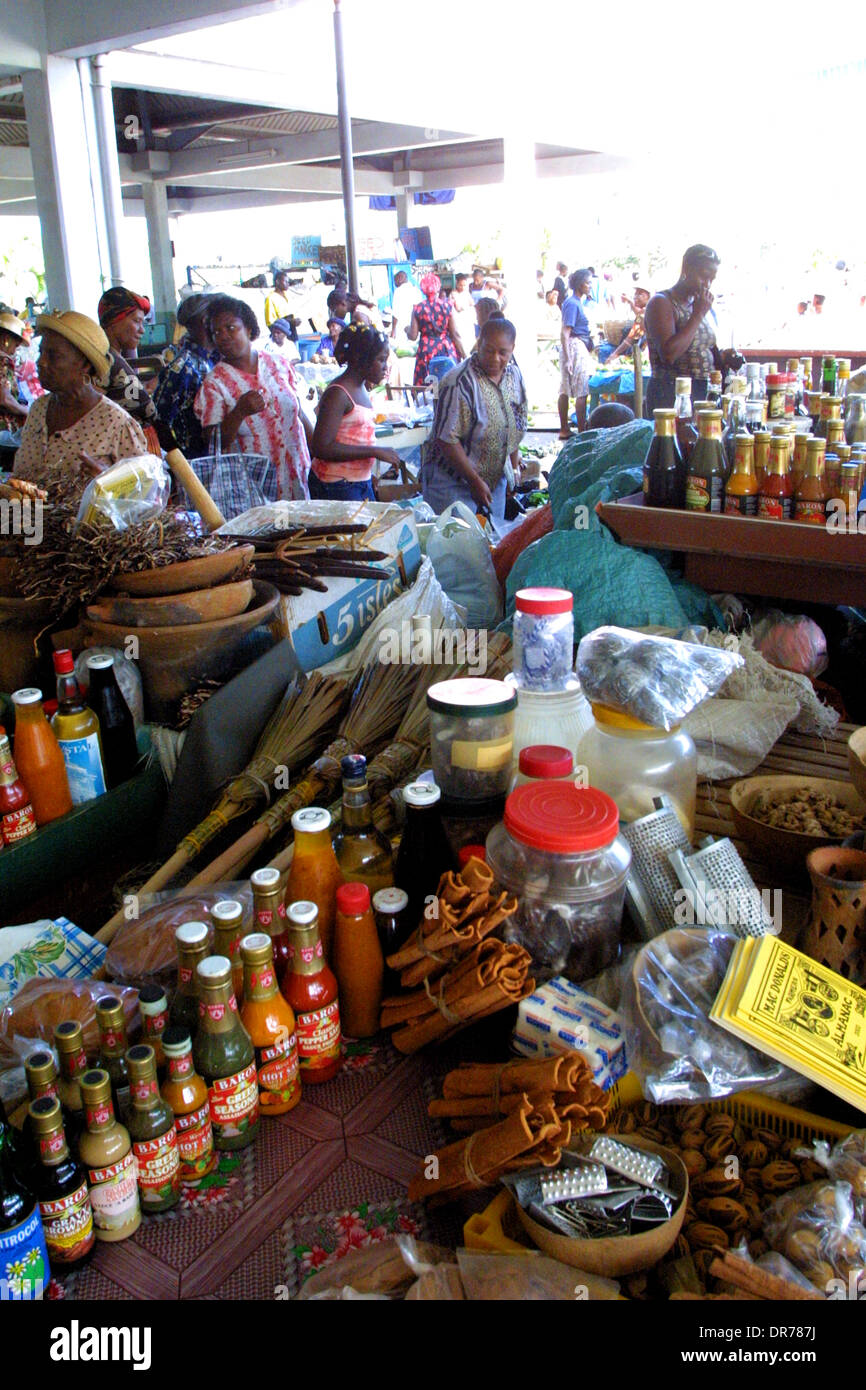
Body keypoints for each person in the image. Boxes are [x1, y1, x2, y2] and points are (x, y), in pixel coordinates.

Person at [13, 309, 147, 496]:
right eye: (41, 353)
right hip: (30, 523)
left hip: (82, 525)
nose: (41, 362)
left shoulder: (117, 424)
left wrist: (108, 485)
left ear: (85, 364)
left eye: (54, 355)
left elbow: (144, 499)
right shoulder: (39, 409)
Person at [194, 294, 312, 501]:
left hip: (297, 477)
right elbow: (213, 441)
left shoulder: (279, 364)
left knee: (303, 531)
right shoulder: (214, 383)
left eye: (231, 328)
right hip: (252, 488)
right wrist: (239, 412)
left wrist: (319, 454)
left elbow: (298, 413)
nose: (223, 336)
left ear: (248, 329)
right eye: (217, 332)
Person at [420, 317, 527, 525]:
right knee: (453, 546)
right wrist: (474, 480)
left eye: (503, 352)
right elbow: (446, 439)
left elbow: (516, 423)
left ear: (512, 349)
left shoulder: (515, 377)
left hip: (492, 481)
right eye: (488, 350)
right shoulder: (458, 382)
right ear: (479, 344)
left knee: (489, 545)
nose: (495, 358)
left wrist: (513, 468)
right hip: (452, 482)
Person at [643, 244, 744, 412]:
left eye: (712, 279)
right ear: (687, 269)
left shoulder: (698, 304)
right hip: (672, 395)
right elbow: (669, 354)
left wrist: (723, 358)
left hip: (701, 392)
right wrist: (698, 314)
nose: (707, 284)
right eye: (704, 277)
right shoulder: (661, 302)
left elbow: (700, 347)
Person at [309, 323, 403, 502]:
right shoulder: (338, 394)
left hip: (356, 482)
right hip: (336, 484)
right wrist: (373, 451)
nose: (385, 366)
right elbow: (321, 447)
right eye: (381, 360)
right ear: (362, 359)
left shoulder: (361, 388)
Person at [152, 293, 219, 458]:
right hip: (197, 465)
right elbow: (159, 422)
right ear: (206, 320)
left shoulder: (210, 360)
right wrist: (181, 466)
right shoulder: (183, 368)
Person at [96, 286, 159, 433]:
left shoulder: (104, 357)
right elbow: (150, 413)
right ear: (114, 321)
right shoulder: (110, 362)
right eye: (136, 321)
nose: (142, 330)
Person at [407, 273, 466, 386]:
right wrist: (465, 356)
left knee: (428, 389)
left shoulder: (418, 308)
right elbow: (455, 334)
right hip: (445, 349)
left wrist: (407, 330)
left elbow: (413, 336)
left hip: (426, 351)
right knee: (450, 384)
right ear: (438, 288)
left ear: (423, 289)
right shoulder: (448, 306)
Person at [558, 269, 595, 437]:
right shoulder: (572, 303)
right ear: (580, 284)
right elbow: (565, 332)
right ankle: (580, 431)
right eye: (588, 283)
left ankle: (566, 429)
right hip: (574, 346)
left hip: (574, 346)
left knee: (566, 389)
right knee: (581, 390)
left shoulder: (576, 302)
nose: (590, 286)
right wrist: (568, 358)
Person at [0, 313, 34, 449]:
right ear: (6, 340)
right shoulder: (3, 360)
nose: (15, 350)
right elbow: (4, 398)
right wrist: (26, 411)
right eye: (16, 345)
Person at [608, 286, 651, 362]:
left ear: (648, 297)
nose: (635, 297)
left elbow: (630, 339)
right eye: (635, 294)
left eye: (640, 294)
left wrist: (614, 354)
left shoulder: (644, 314)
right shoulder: (648, 309)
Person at [390, 270, 423, 343]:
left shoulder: (398, 291)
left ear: (399, 279)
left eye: (395, 281)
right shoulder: (416, 290)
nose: (395, 284)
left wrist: (393, 330)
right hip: (415, 328)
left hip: (402, 328)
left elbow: (395, 314)